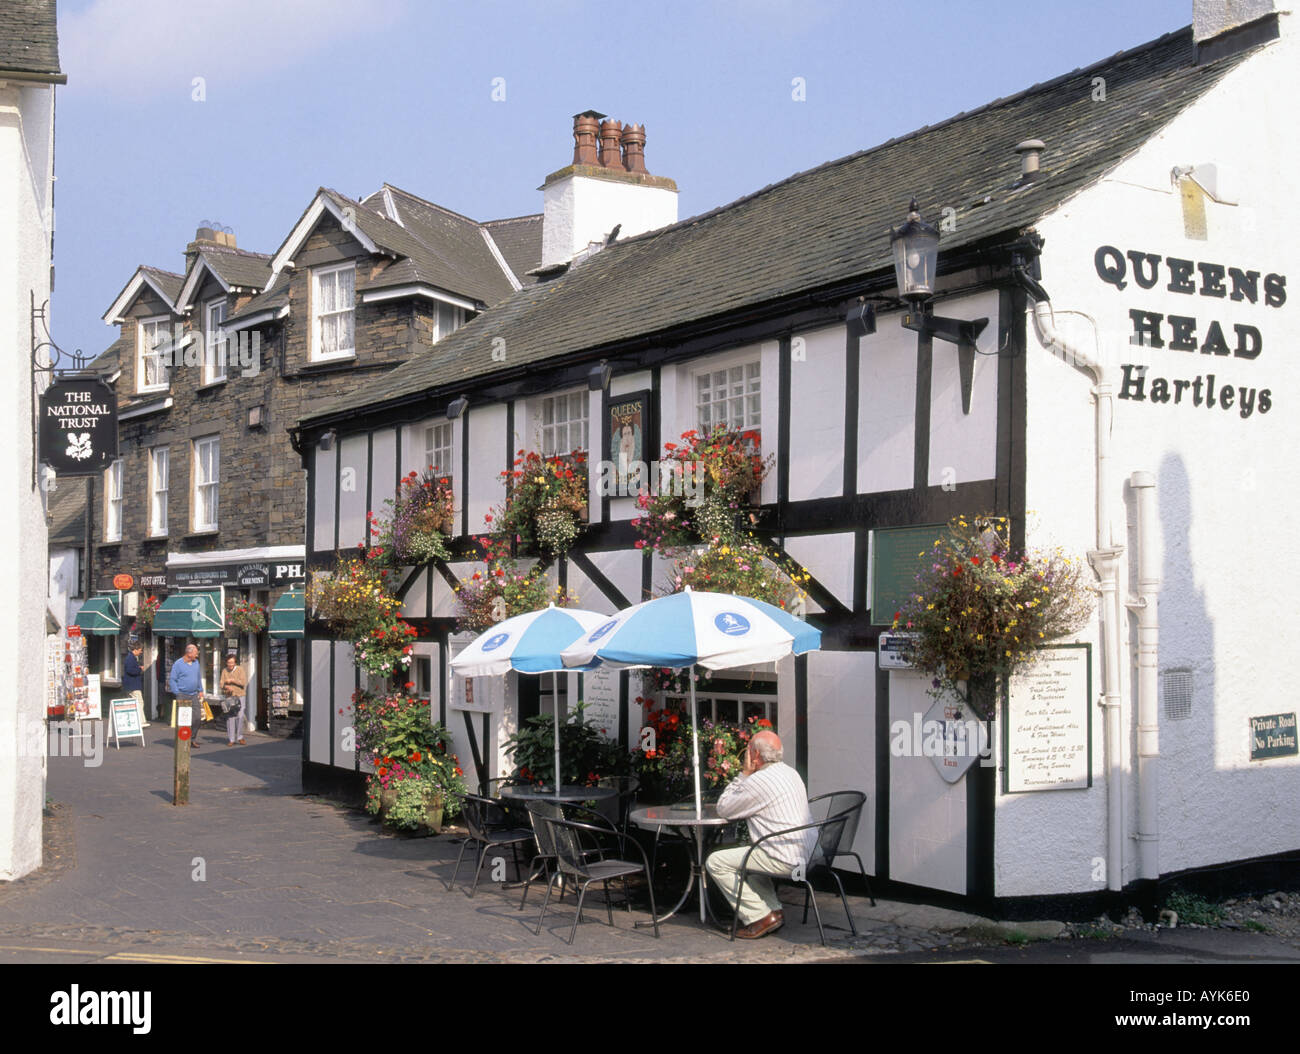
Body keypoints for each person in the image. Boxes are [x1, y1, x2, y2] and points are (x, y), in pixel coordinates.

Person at [705, 730, 815, 939]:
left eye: (747, 750)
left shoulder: (758, 781)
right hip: (808, 853)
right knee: (751, 860)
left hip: (785, 857)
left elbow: (724, 808)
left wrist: (744, 774)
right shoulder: (791, 772)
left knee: (715, 862)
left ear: (754, 755)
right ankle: (774, 911)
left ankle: (759, 917)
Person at [168, 644, 206, 749]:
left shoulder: (196, 663)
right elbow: (173, 680)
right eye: (196, 653)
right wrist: (177, 693)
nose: (197, 655)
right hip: (182, 694)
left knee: (197, 718)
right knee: (183, 720)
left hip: (194, 694)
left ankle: (192, 739)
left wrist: (201, 690)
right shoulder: (178, 664)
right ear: (189, 653)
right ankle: (182, 741)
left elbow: (198, 677)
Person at [219, 652, 248, 746]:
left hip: (240, 696)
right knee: (230, 718)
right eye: (228, 663)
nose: (230, 665)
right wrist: (226, 687)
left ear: (235, 663)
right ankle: (231, 739)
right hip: (230, 697)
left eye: (232, 663)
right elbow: (221, 684)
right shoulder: (224, 671)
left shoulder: (240, 669)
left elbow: (243, 683)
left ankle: (240, 736)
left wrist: (232, 680)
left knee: (240, 716)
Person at [123, 640, 149, 727]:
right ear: (136, 649)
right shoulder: (131, 658)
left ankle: (132, 721)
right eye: (140, 650)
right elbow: (130, 670)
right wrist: (139, 669)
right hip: (133, 685)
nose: (141, 652)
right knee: (139, 702)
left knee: (132, 703)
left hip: (130, 685)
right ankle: (141, 721)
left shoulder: (130, 657)